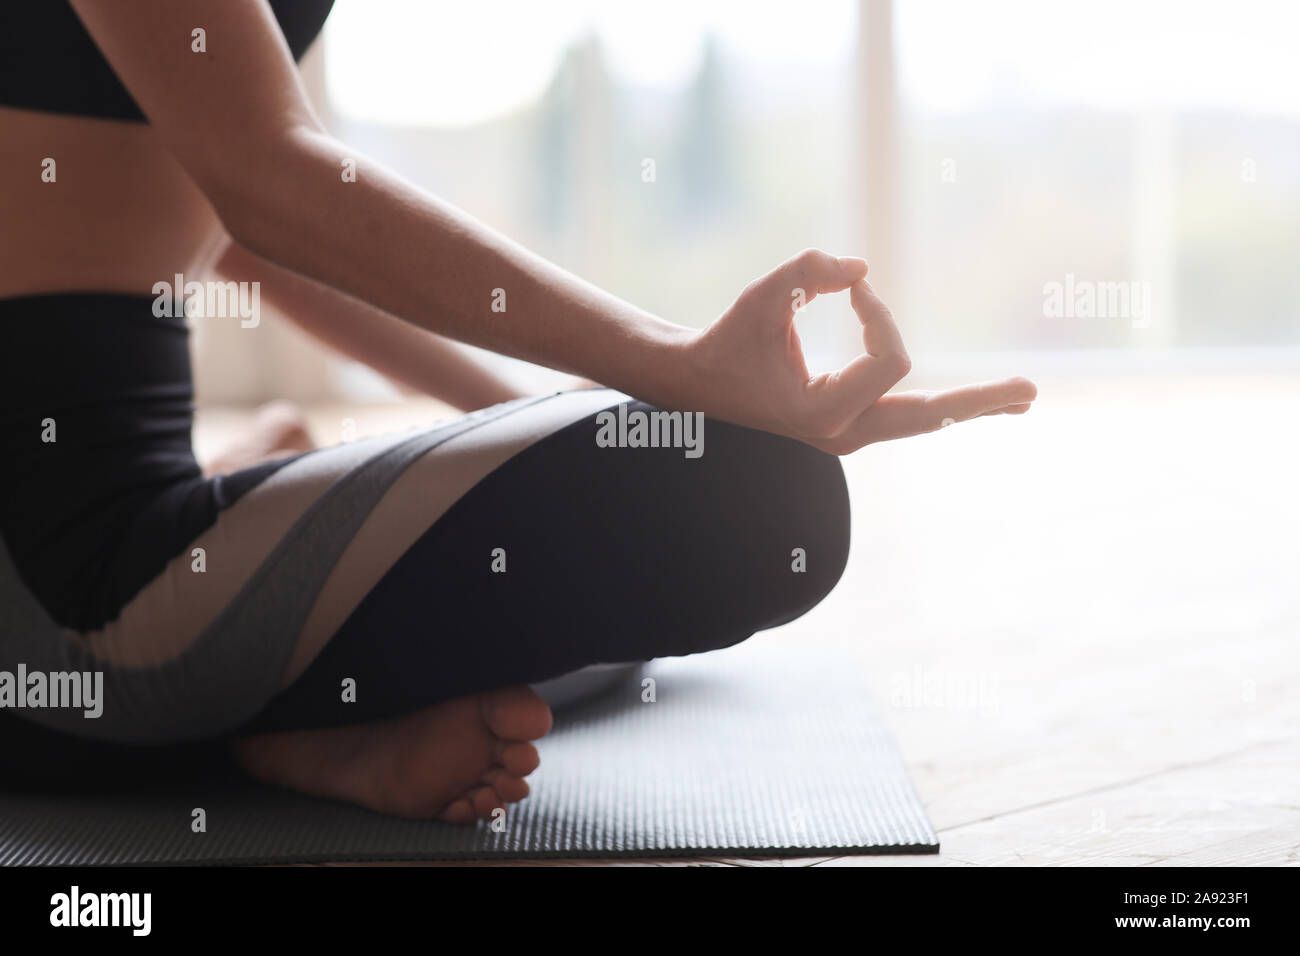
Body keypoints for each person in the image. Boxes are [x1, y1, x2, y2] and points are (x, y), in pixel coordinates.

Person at [0, 0, 1036, 821]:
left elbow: (243, 229)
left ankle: (266, 706)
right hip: (55, 599)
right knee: (757, 507)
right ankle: (269, 726)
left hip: (129, 533)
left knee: (684, 474)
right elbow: (266, 181)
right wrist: (675, 365)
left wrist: (553, 411)